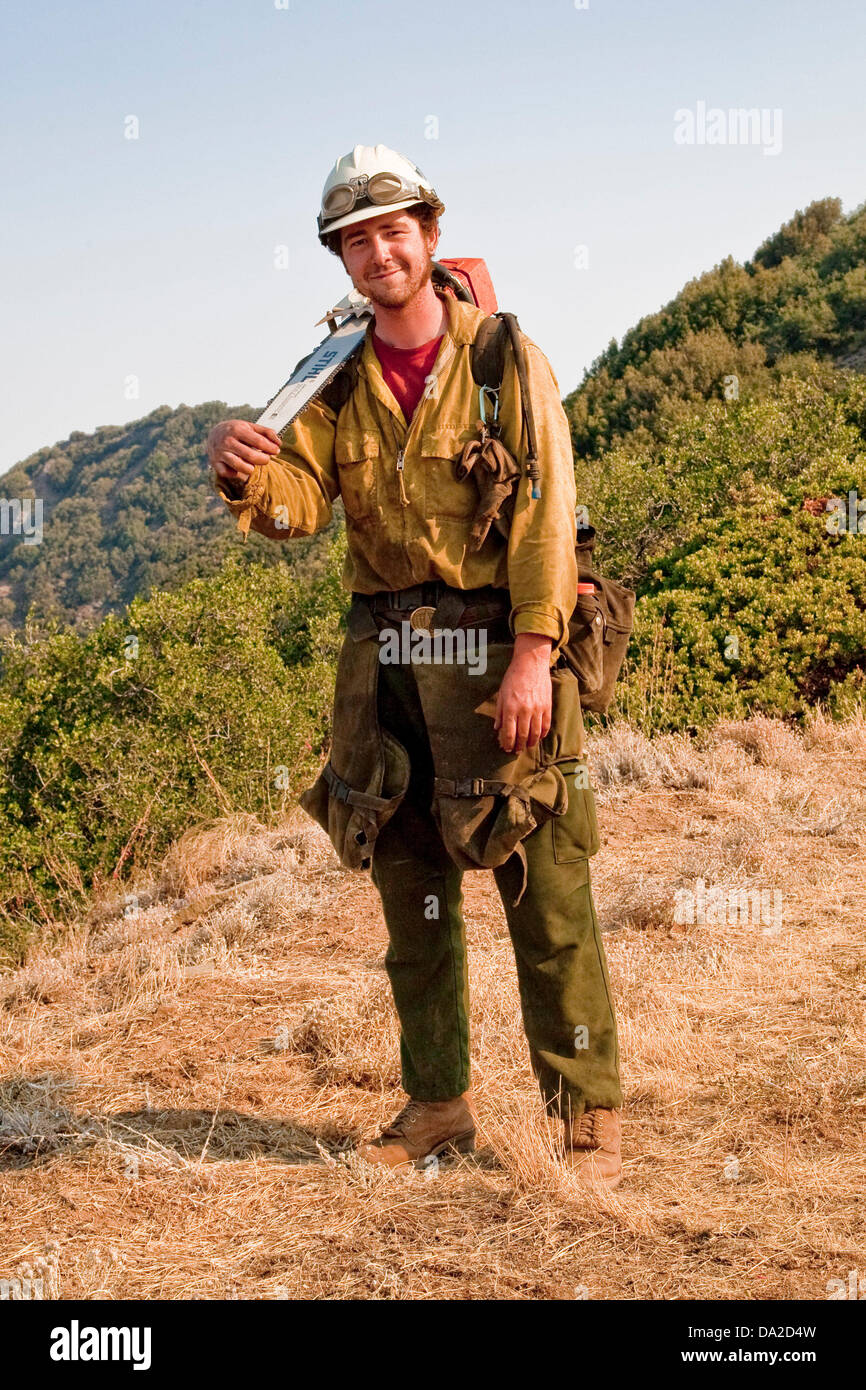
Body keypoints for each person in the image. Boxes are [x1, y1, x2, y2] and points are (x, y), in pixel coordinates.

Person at [207, 144, 623, 1188]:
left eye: (394, 230)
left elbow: (544, 523)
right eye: (355, 238)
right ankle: (439, 1106)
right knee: (413, 900)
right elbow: (300, 512)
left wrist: (534, 659)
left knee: (544, 888)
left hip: (492, 656)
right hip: (386, 665)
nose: (376, 251)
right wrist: (244, 477)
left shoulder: (501, 362)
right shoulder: (332, 378)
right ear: (341, 258)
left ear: (428, 236)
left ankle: (585, 1126)